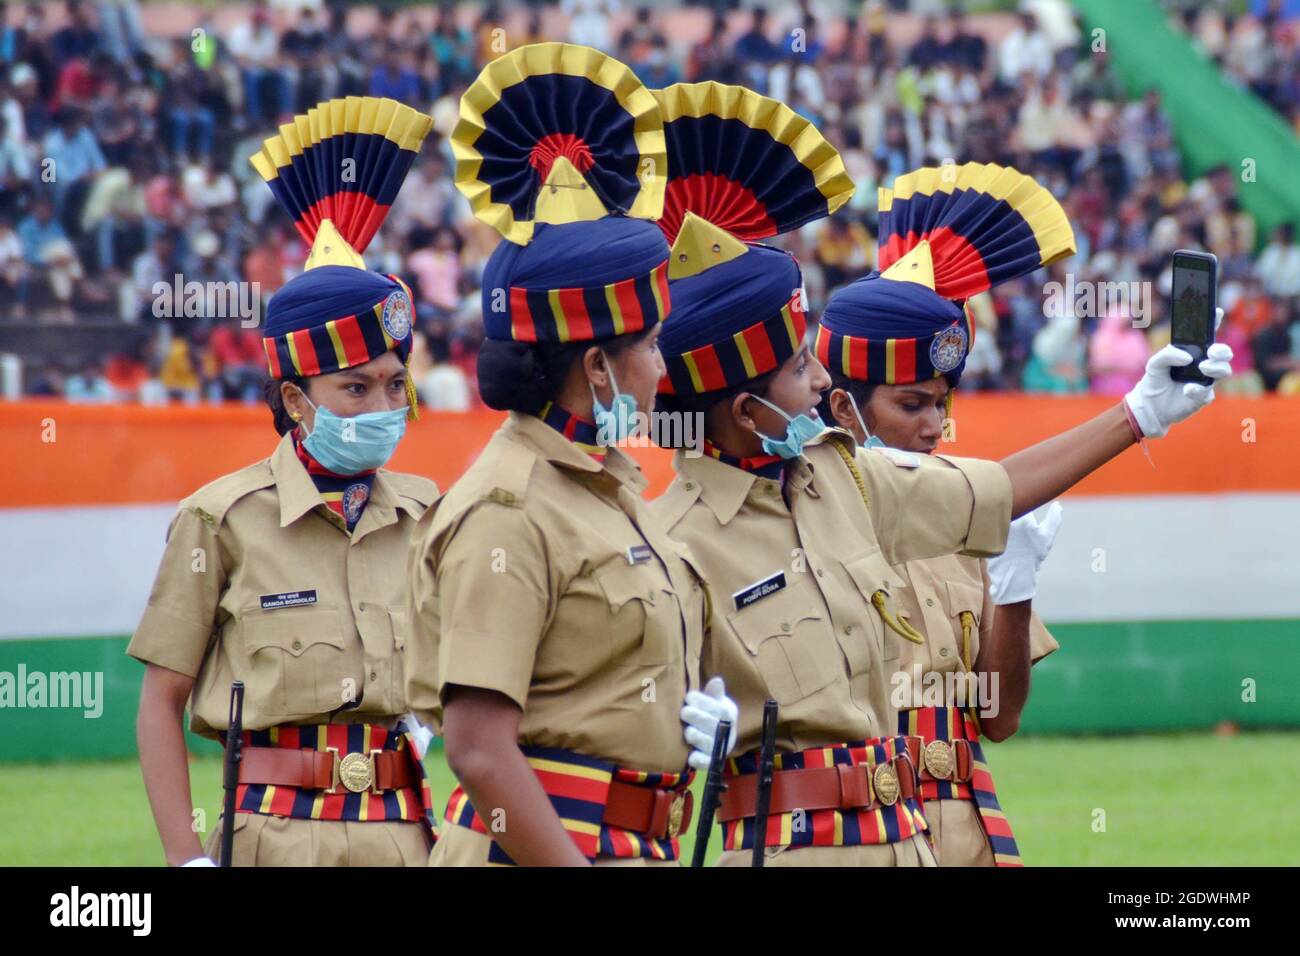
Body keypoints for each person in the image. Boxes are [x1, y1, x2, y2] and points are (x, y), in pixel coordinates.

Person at [651, 91, 1234, 866]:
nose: (819, 376)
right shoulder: (669, 539)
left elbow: (992, 489)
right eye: (800, 366)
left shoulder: (839, 482)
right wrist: (684, 730)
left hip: (930, 839)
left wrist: (1142, 412)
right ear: (747, 408)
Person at [406, 43, 731, 867]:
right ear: (596, 366)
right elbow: (478, 750)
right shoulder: (508, 509)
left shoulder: (605, 489)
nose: (664, 367)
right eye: (651, 344)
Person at [128, 95, 440, 867]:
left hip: (411, 836)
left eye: (395, 383)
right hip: (271, 839)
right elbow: (160, 704)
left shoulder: (433, 512)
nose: (383, 405)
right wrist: (187, 859)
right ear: (297, 401)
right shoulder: (219, 519)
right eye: (355, 389)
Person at [816, 161, 1076, 865]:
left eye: (941, 404)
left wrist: (1016, 585)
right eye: (911, 405)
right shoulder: (807, 519)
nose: (934, 427)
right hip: (864, 831)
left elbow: (1000, 717)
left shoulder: (963, 516)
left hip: (968, 830)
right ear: (844, 407)